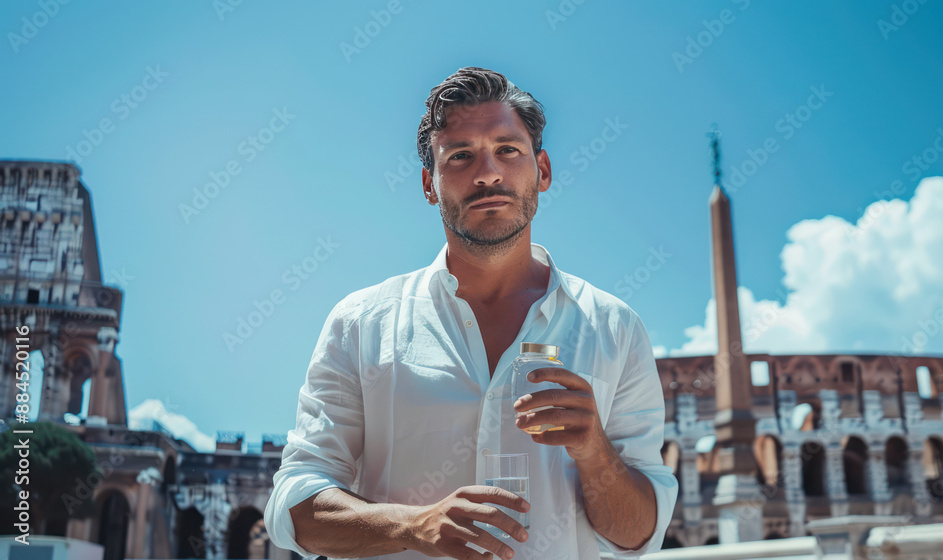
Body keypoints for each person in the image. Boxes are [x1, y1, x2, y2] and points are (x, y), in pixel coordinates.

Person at [264, 67, 677, 560]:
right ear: (429, 184)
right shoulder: (361, 324)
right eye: (461, 156)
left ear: (542, 170)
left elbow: (639, 534)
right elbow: (294, 505)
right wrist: (410, 526)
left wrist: (595, 451)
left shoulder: (615, 329)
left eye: (508, 150)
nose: (488, 173)